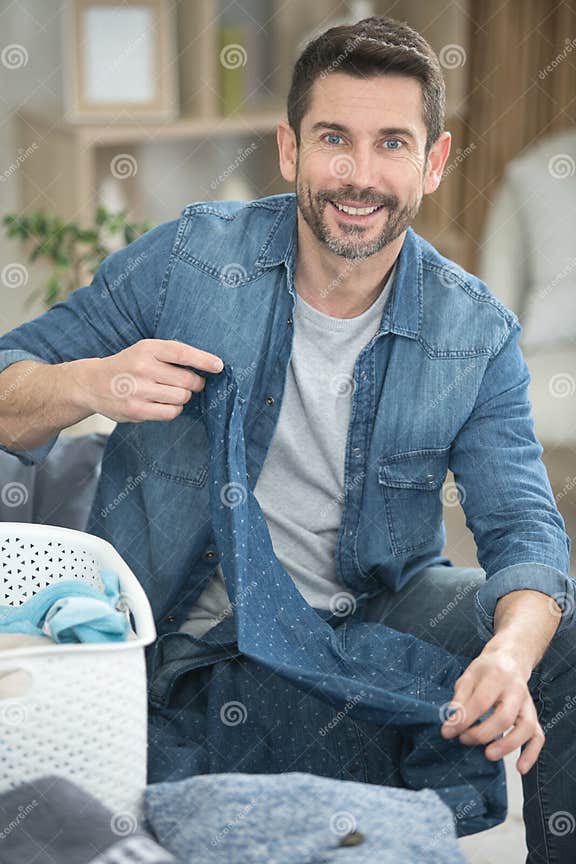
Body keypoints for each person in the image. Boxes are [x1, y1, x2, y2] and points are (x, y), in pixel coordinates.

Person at [0, 15, 574, 861]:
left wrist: (509, 654)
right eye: (334, 138)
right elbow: (12, 386)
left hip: (367, 611)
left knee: (557, 632)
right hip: (193, 631)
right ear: (289, 149)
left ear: (434, 161)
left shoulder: (474, 334)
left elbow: (525, 531)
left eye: (391, 144)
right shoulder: (189, 262)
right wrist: (89, 382)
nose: (360, 175)